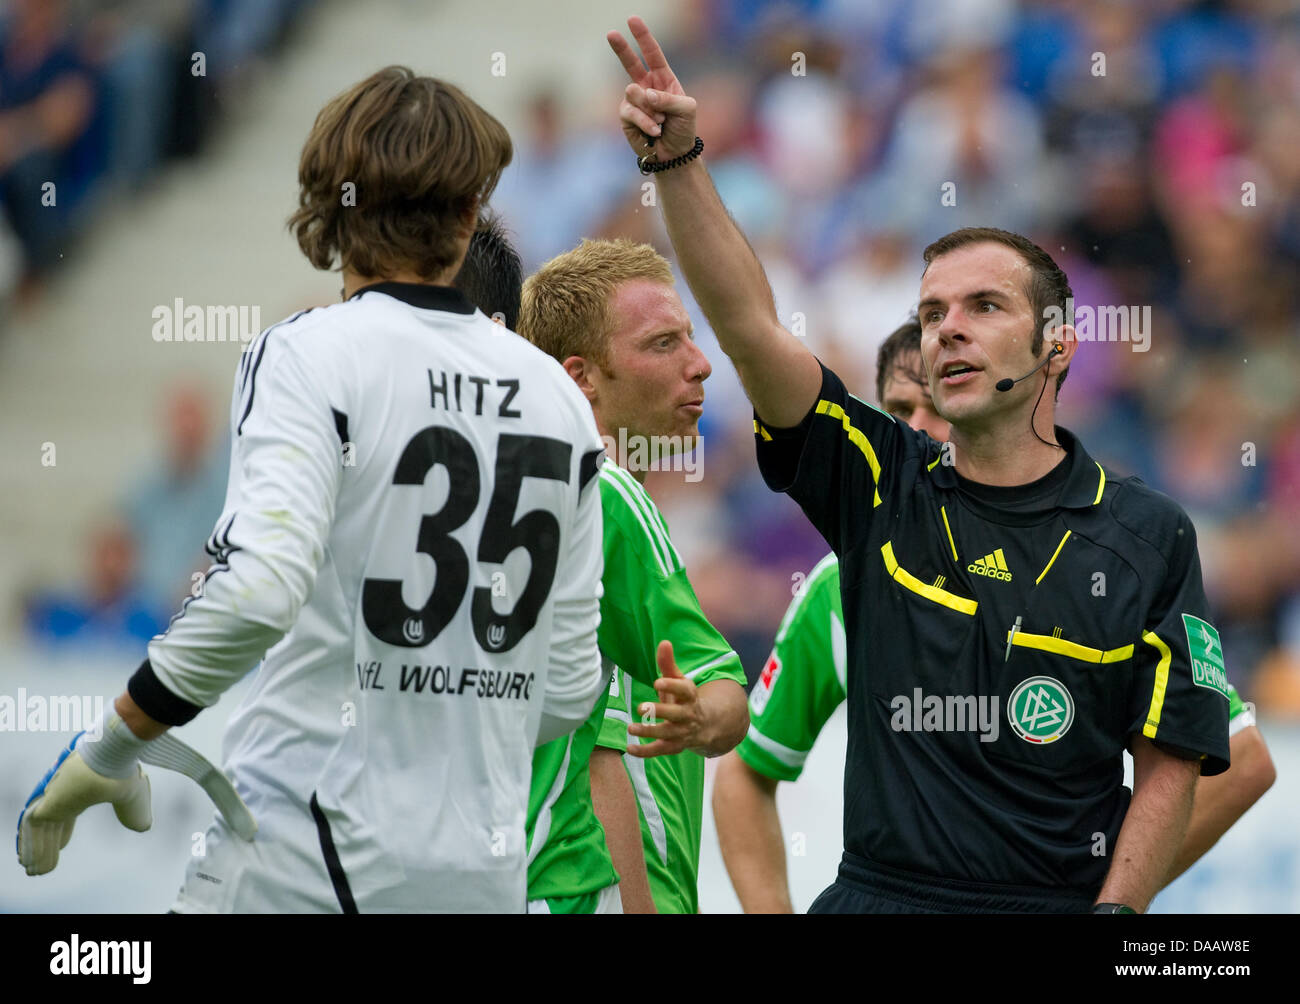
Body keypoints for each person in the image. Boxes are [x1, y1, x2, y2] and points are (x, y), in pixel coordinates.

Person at [608, 17, 1232, 914]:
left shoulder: (1149, 533)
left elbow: (1175, 761)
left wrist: (1117, 919)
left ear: (1057, 348)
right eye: (933, 312)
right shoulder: (878, 480)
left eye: (983, 306)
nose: (949, 329)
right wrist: (677, 161)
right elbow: (749, 329)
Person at [17, 66, 609, 914]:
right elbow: (566, 687)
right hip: (480, 875)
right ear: (473, 212)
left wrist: (113, 743)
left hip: (303, 858)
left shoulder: (310, 354)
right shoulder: (558, 398)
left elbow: (256, 592)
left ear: (335, 205)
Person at [712, 321, 1276, 912]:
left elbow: (1240, 760)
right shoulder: (839, 584)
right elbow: (748, 771)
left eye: (933, 408)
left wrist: (1104, 901)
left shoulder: (1088, 562)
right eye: (898, 410)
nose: (919, 428)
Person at [512, 237, 748, 914]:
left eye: (692, 339)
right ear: (582, 376)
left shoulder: (550, 499)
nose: (700, 366)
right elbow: (600, 754)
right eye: (664, 344)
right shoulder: (605, 497)